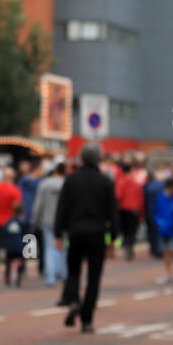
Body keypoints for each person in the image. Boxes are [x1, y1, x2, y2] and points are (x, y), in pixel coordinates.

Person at [54, 142, 118, 333]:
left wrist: (58, 233)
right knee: (94, 277)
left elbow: (62, 208)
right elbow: (112, 212)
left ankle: (73, 299)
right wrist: (113, 238)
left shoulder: (71, 179)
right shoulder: (105, 181)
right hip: (97, 233)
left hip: (75, 231)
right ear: (99, 158)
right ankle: (87, 319)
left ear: (82, 158)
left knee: (73, 270)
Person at [32, 161, 68, 291]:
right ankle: (64, 274)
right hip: (64, 221)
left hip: (47, 220)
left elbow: (38, 204)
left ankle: (50, 277)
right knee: (63, 248)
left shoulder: (45, 184)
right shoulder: (67, 184)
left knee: (49, 248)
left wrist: (35, 220)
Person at [152, 170, 173, 284]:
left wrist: (172, 225)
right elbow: (157, 213)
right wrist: (160, 223)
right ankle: (169, 274)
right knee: (166, 252)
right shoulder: (161, 198)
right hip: (163, 230)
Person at [3, 203, 27, 287]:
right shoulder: (23, 222)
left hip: (10, 246)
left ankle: (7, 276)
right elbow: (27, 232)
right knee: (21, 261)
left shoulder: (9, 221)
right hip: (19, 246)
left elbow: (4, 231)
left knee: (8, 261)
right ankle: (19, 278)